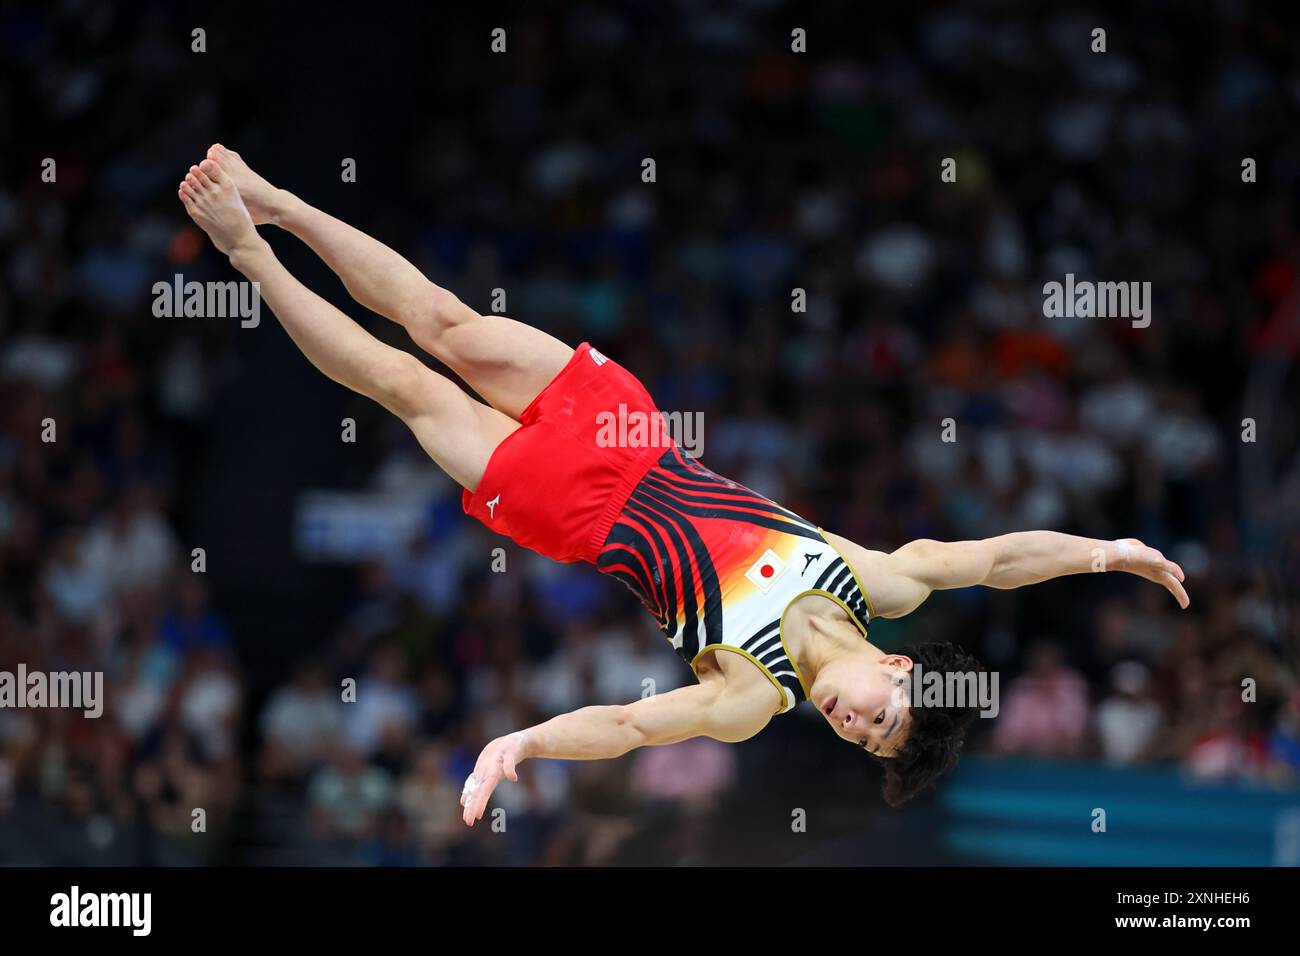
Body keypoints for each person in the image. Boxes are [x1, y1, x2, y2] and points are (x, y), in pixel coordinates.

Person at [176, 145, 1190, 824]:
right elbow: (997, 559)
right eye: (880, 718)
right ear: (906, 674)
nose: (854, 724)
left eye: (861, 741)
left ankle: (247, 252)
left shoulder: (749, 695)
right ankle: (277, 200)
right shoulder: (874, 581)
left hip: (567, 507)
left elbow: (625, 723)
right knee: (441, 320)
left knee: (400, 381)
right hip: (630, 431)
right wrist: (1108, 550)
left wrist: (517, 741)